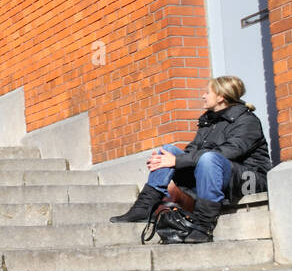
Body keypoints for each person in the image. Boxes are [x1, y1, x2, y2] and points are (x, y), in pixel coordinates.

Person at [109, 76, 272, 242]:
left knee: (209, 158)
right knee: (166, 151)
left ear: (221, 97)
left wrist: (177, 162)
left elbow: (228, 152)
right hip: (213, 175)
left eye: (207, 92)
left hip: (248, 181)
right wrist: (169, 160)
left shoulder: (247, 121)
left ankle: (203, 224)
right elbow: (192, 151)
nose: (203, 96)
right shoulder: (209, 120)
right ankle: (144, 206)